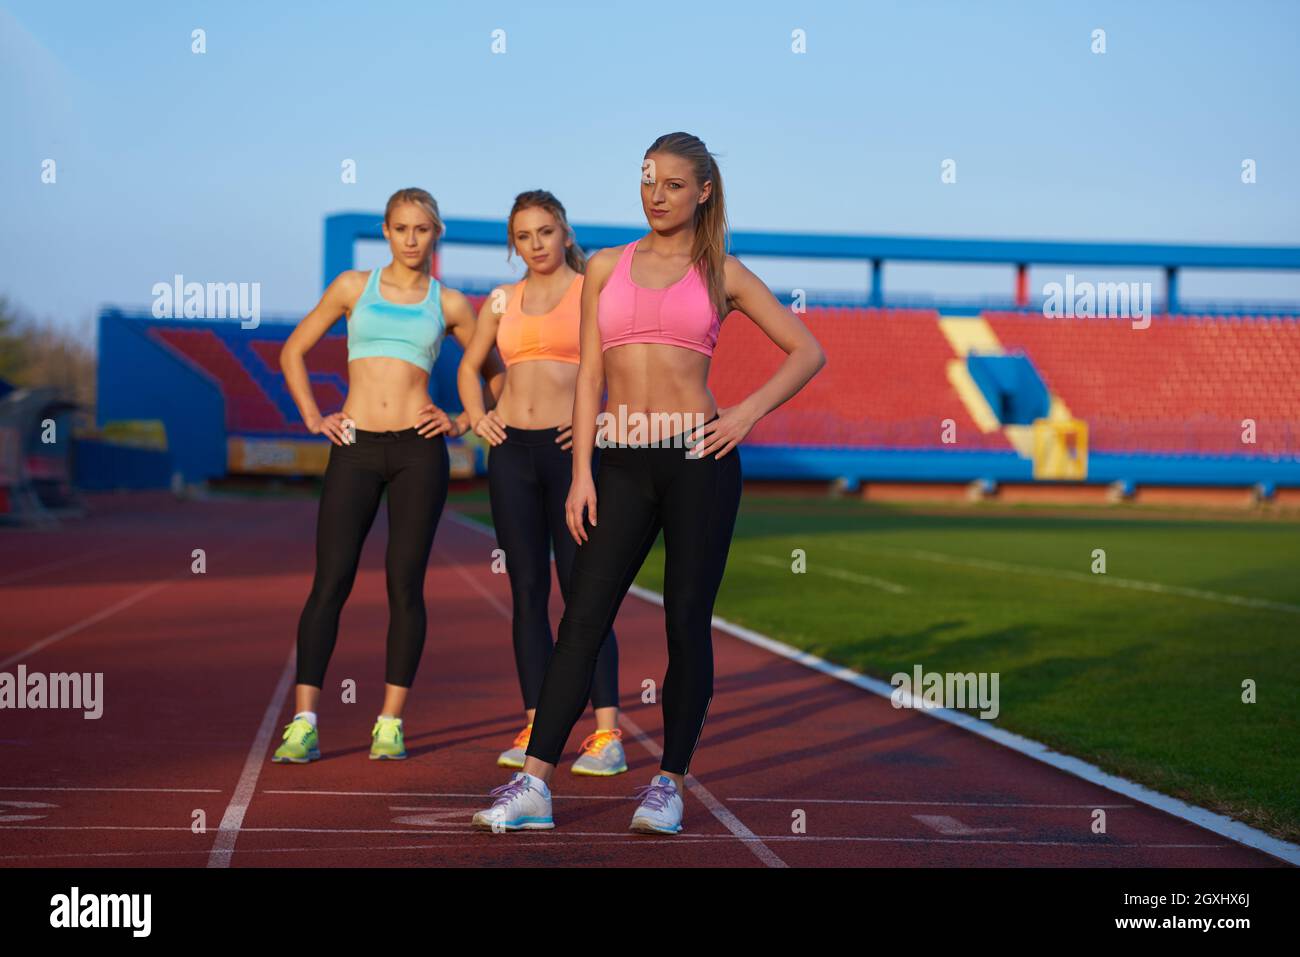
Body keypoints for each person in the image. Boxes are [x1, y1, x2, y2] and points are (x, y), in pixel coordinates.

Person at [472, 133, 825, 833]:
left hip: (700, 460)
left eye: (671, 184)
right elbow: (592, 376)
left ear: (704, 192)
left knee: (686, 620)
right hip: (620, 463)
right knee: (582, 619)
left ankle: (669, 781)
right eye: (647, 181)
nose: (655, 195)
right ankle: (537, 782)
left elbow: (807, 350)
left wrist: (745, 414)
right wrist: (580, 475)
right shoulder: (607, 265)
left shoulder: (721, 271)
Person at [274, 187, 502, 763]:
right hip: (352, 446)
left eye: (421, 229)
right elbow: (293, 351)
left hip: (417, 453)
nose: (410, 239)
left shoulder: (450, 304)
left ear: (436, 233)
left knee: (405, 585)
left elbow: (493, 373)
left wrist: (462, 421)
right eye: (400, 228)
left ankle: (389, 723)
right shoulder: (354, 286)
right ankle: (303, 723)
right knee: (331, 582)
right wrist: (311, 416)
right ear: (386, 230)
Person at [458, 191, 627, 777]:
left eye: (546, 232)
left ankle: (607, 734)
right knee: (526, 591)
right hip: (511, 454)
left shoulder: (592, 289)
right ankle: (535, 721)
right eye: (524, 236)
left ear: (565, 232)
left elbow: (624, 360)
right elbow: (468, 363)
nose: (536, 244)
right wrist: (478, 415)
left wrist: (602, 421)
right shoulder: (501, 301)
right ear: (514, 245)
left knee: (584, 594)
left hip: (570, 452)